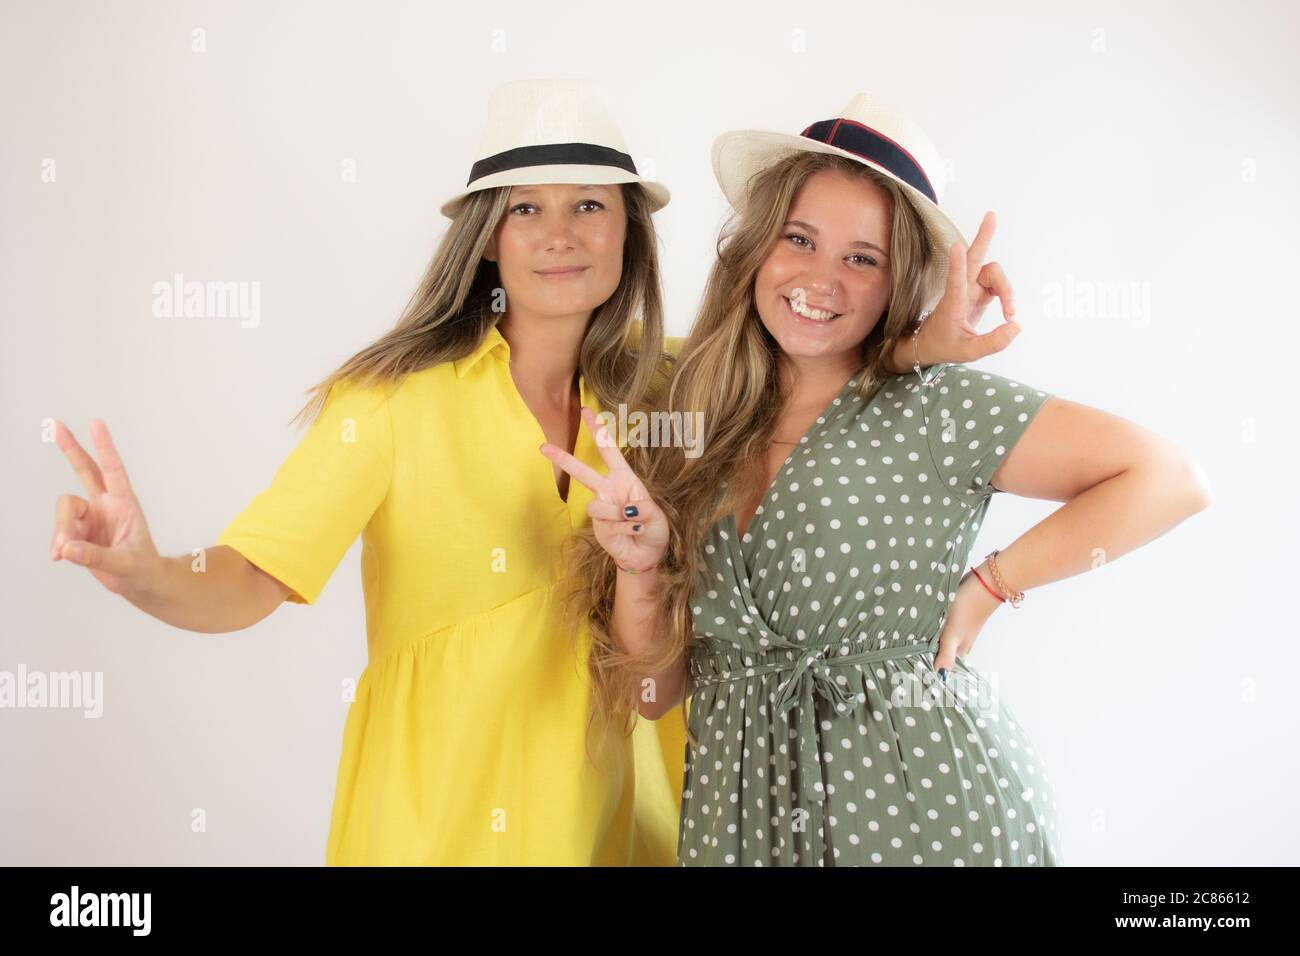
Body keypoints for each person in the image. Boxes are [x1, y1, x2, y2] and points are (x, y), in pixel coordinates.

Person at [545, 93, 1212, 866]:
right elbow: (654, 693)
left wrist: (993, 584)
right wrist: (638, 567)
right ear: (759, 248)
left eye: (864, 258)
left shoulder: (937, 404)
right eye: (800, 239)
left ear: (899, 284)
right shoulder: (698, 417)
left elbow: (1169, 478)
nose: (821, 279)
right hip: (744, 824)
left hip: (926, 814)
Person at [48, 78, 694, 866]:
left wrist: (896, 339)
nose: (560, 233)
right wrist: (148, 572)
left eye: (589, 205)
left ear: (630, 229)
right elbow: (254, 577)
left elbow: (809, 361)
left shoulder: (672, 387)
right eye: (526, 208)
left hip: (621, 833)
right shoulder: (390, 403)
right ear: (488, 237)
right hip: (436, 829)